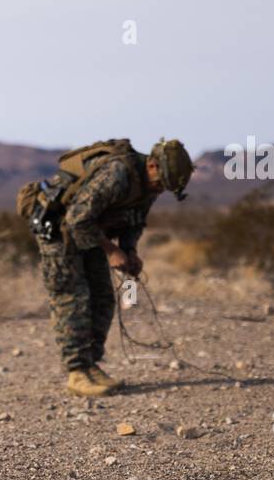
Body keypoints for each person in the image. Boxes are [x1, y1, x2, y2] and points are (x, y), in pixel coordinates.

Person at [21, 138, 192, 398]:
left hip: (90, 234)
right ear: (153, 165)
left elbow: (134, 221)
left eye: (166, 188)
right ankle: (77, 372)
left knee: (102, 297)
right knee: (73, 299)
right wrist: (112, 251)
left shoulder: (150, 185)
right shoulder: (118, 173)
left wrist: (130, 250)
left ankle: (92, 364)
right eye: (160, 184)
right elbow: (77, 218)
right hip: (58, 232)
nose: (160, 191)